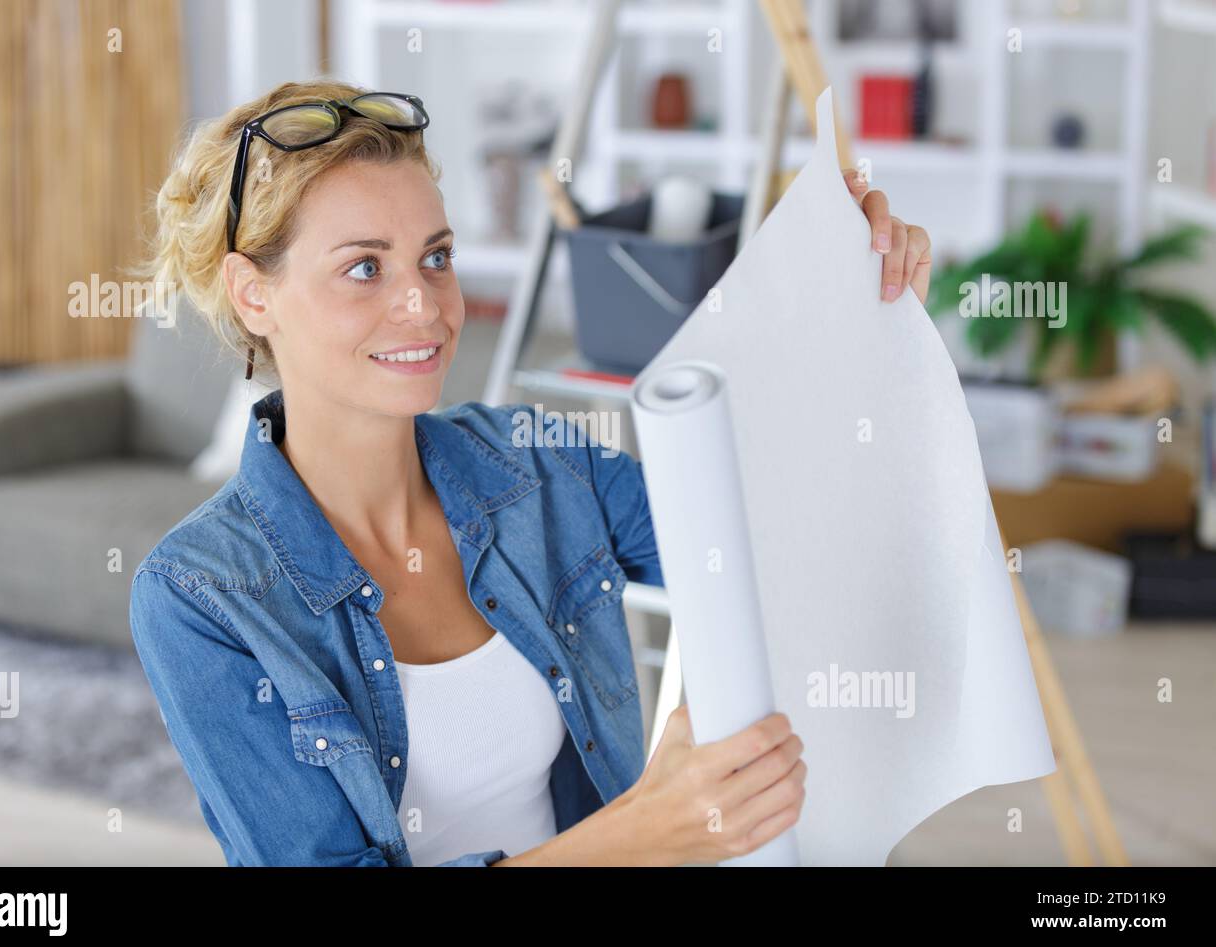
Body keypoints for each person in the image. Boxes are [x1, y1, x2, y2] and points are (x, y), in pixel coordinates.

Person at [129, 78, 932, 867]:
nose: (426, 305)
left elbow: (774, 548)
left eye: (435, 257)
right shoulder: (201, 595)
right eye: (365, 268)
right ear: (251, 295)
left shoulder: (537, 463)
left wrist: (852, 328)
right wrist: (644, 837)